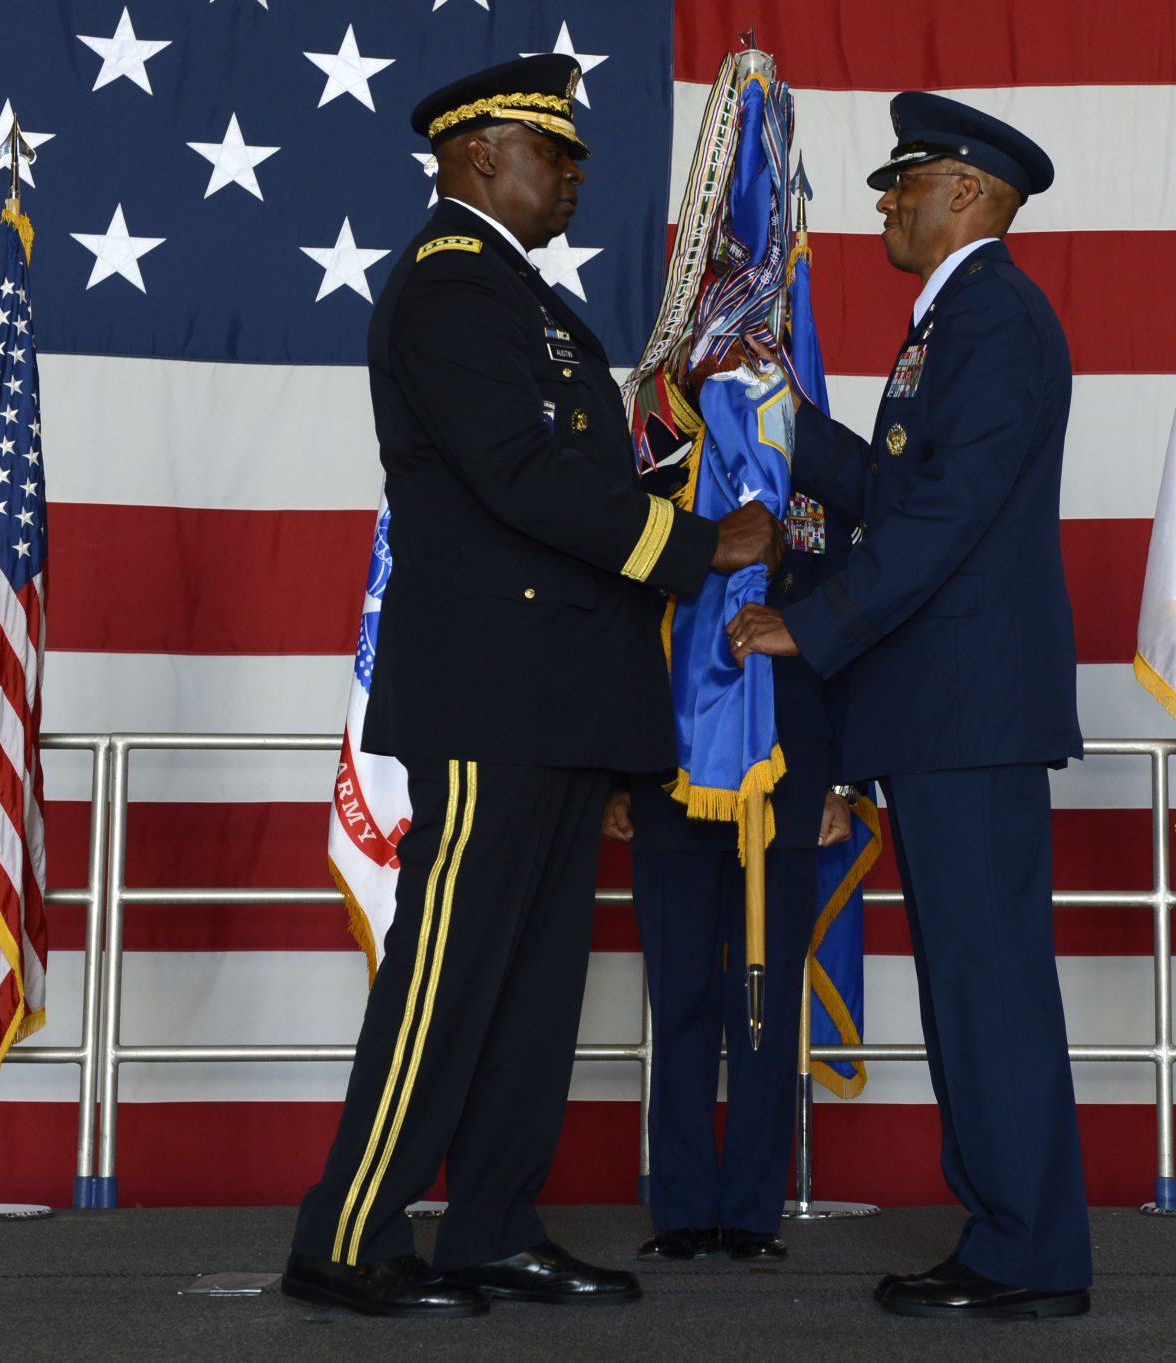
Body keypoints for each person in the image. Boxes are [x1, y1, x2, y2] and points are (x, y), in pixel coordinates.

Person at [282, 54, 782, 1319]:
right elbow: (517, 475)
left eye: (570, 154)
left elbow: (585, 481)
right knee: (448, 973)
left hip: (554, 693)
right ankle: (346, 1233)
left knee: (532, 982)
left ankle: (492, 1226)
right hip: (486, 692)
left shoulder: (528, 303)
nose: (570, 172)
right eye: (548, 150)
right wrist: (690, 546)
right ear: (470, 159)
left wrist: (696, 477)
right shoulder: (452, 290)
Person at [728, 91, 1091, 1319]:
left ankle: (1026, 1250)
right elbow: (899, 483)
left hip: (969, 714)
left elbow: (942, 515)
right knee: (969, 981)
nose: (885, 199)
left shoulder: (994, 319)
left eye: (906, 181)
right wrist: (785, 419)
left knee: (986, 982)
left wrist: (815, 623)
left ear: (969, 196)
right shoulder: (957, 321)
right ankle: (1008, 1235)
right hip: (946, 711)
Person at [604, 491, 857, 1263]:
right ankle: (679, 1209)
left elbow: (846, 613)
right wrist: (615, 774)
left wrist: (842, 779)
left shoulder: (809, 467)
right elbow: (622, 623)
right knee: (678, 991)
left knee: (768, 994)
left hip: (787, 764)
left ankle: (752, 1211)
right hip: (667, 764)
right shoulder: (664, 466)